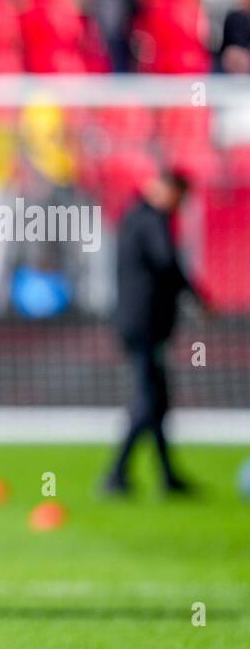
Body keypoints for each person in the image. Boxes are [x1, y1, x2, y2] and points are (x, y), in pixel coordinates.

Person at [102, 169, 206, 496]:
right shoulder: (152, 220)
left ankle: (166, 476)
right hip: (145, 325)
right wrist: (198, 297)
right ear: (166, 190)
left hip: (136, 323)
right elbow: (168, 263)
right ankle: (116, 474)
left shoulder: (134, 217)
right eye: (180, 195)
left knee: (157, 399)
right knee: (149, 399)